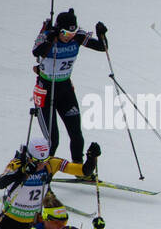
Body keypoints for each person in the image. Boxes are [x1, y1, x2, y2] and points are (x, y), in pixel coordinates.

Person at [32, 9, 107, 163]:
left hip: (65, 90)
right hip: (45, 92)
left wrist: (101, 34)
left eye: (72, 33)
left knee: (76, 134)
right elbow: (36, 52)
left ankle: (79, 169)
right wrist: (49, 40)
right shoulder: (47, 36)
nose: (69, 37)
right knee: (53, 140)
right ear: (59, 30)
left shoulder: (77, 38)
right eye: (65, 33)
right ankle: (43, 172)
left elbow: (102, 47)